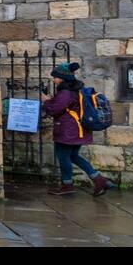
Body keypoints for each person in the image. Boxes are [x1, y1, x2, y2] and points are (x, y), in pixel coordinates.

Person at [41, 61, 113, 196]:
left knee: (63, 157)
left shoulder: (65, 93)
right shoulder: (75, 89)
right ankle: (99, 180)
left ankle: (67, 185)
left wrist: (45, 101)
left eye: (55, 76)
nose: (54, 79)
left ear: (62, 78)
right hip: (78, 130)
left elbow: (54, 109)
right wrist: (52, 100)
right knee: (73, 156)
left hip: (68, 131)